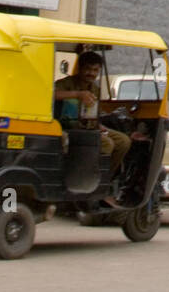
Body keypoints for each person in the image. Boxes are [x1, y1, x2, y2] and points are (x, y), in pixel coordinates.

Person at [55, 51, 131, 197]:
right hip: (68, 128)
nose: (91, 73)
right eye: (88, 69)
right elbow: (52, 94)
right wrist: (77, 95)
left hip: (90, 128)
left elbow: (94, 114)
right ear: (80, 68)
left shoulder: (95, 88)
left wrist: (101, 127)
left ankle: (104, 179)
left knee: (123, 141)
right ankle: (89, 184)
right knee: (107, 144)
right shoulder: (67, 83)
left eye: (95, 70)